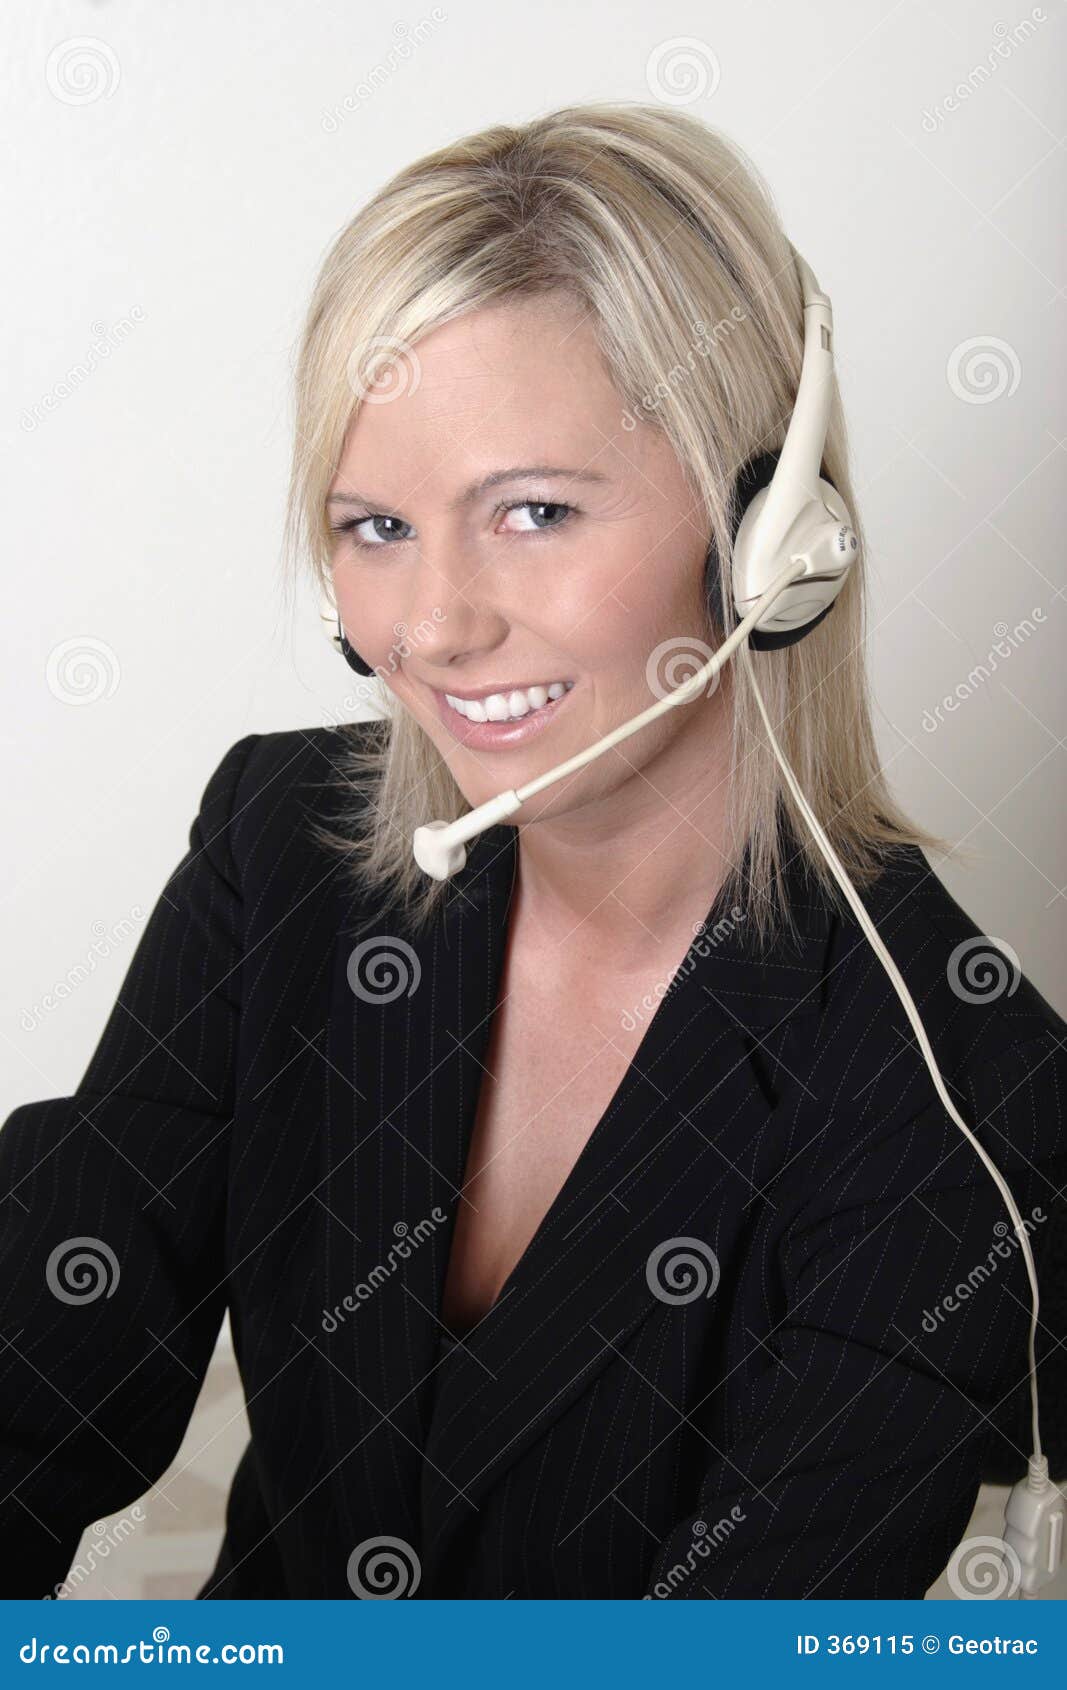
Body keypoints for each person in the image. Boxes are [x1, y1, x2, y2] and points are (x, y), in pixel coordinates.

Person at [2, 102, 1064, 1601]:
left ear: (775, 538)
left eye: (534, 511)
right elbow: (38, 1382)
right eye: (375, 527)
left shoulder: (959, 1090)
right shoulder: (279, 858)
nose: (431, 628)